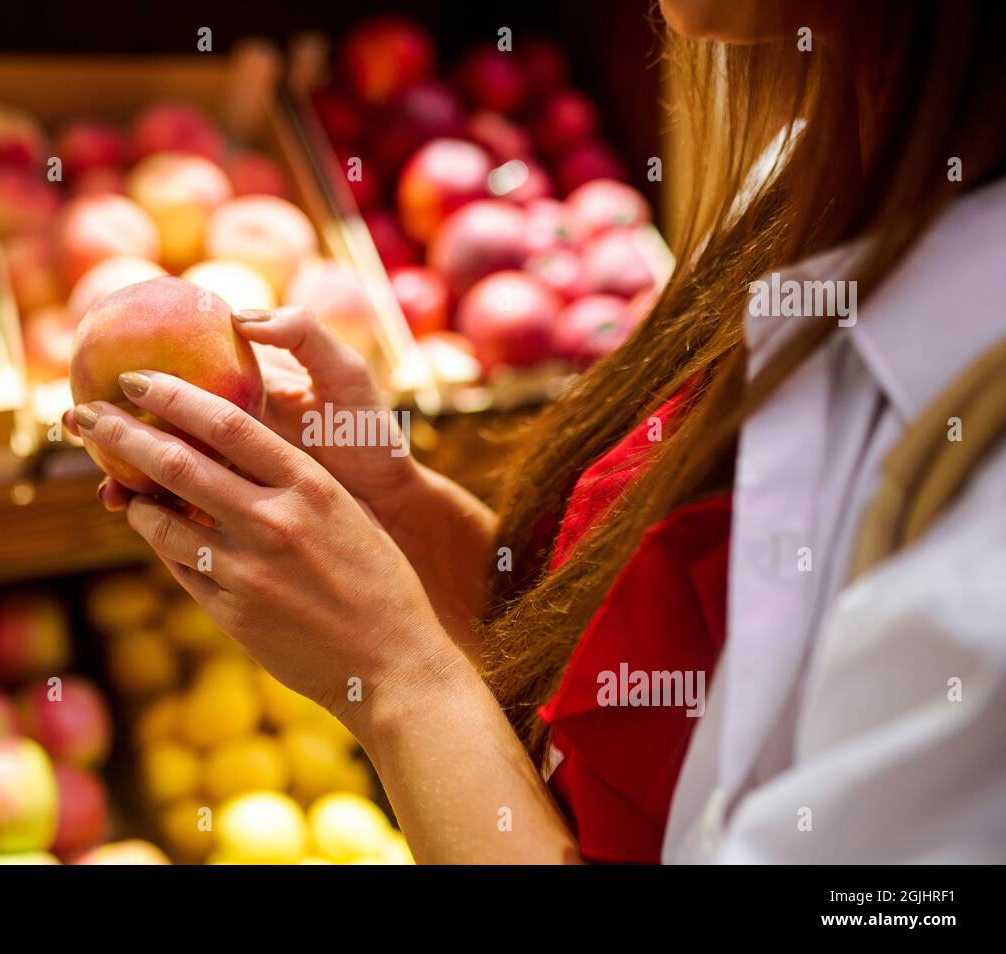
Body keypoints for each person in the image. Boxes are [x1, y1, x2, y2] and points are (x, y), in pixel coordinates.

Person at [67, 0, 1006, 863]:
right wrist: (396, 512)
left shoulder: (982, 557)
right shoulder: (821, 168)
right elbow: (612, 699)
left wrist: (397, 678)